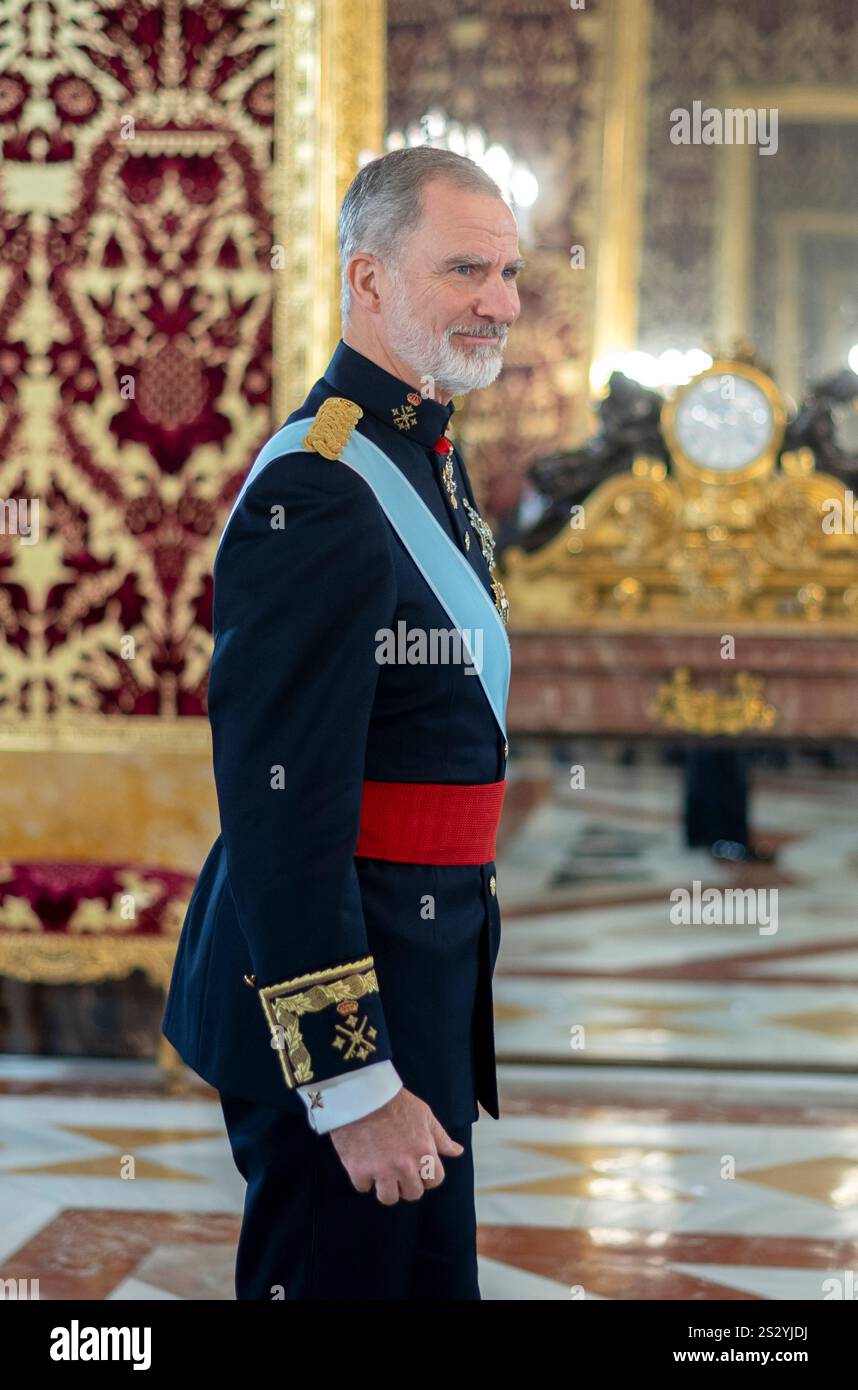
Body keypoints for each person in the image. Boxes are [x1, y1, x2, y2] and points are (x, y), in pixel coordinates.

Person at [162, 145, 522, 1300]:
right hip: (339, 986)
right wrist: (352, 1080)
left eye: (510, 273)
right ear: (368, 280)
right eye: (466, 268)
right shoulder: (317, 488)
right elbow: (282, 811)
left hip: (417, 971)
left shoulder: (424, 454)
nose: (501, 302)